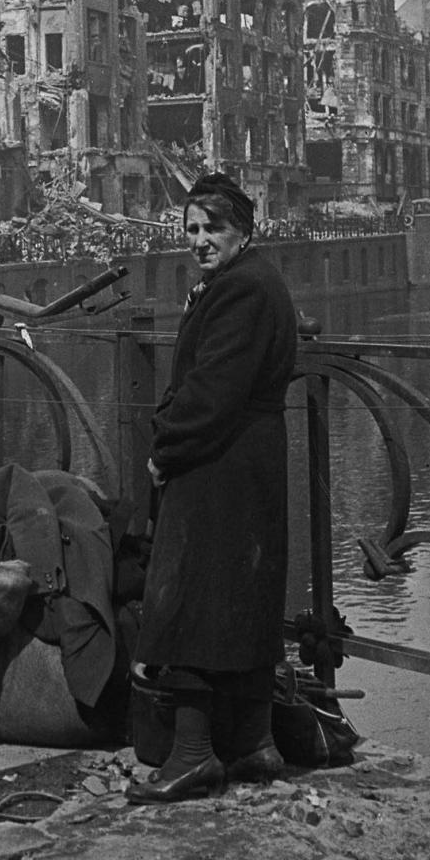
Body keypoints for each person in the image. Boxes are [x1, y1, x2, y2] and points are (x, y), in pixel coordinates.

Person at [127, 172, 298, 805]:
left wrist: (165, 447)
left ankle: (193, 755)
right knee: (242, 594)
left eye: (213, 229)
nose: (199, 241)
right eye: (192, 230)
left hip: (219, 461)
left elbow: (211, 392)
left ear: (243, 232)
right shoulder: (250, 281)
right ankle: (255, 742)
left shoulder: (241, 290)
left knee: (191, 596)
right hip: (249, 460)